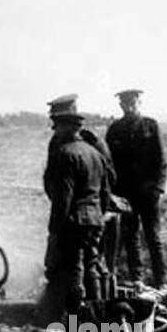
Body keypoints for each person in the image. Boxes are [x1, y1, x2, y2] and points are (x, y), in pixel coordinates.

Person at [43, 103, 113, 318]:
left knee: (74, 270)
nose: (55, 131)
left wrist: (54, 232)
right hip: (95, 221)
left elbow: (63, 199)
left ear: (67, 128)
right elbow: (105, 192)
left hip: (74, 222)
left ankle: (75, 324)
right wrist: (99, 215)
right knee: (91, 268)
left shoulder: (66, 154)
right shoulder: (94, 153)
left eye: (57, 127)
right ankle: (98, 319)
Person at [105, 88, 167, 288]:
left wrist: (158, 189)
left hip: (148, 193)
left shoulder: (151, 126)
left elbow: (161, 161)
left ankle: (161, 281)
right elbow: (108, 163)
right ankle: (136, 278)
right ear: (120, 105)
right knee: (130, 236)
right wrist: (113, 193)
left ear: (139, 102)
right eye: (125, 103)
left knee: (153, 237)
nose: (129, 106)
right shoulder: (115, 130)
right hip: (125, 194)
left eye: (133, 102)